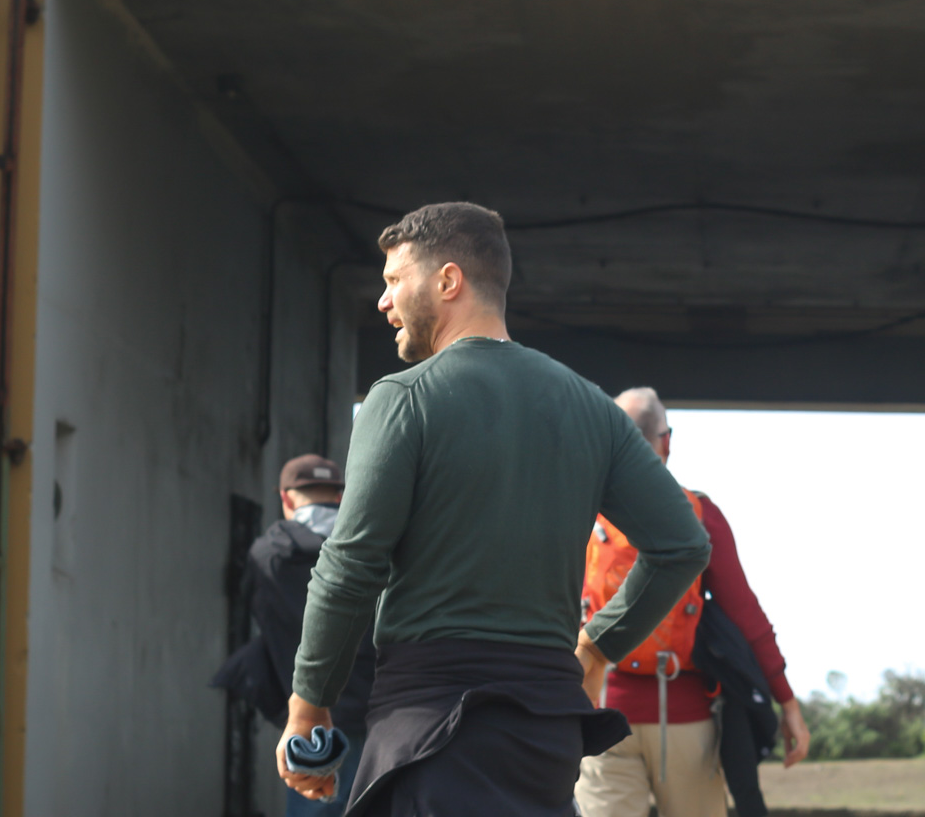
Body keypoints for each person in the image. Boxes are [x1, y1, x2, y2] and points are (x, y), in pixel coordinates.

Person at [277, 202, 712, 816]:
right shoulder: (592, 409)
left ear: (448, 281)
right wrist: (596, 648)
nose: (382, 301)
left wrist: (308, 704)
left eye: (394, 280)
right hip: (548, 732)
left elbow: (351, 566)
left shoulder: (403, 399)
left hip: (433, 728)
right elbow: (682, 545)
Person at [573, 388, 811, 817]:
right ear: (667, 441)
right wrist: (786, 701)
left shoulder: (581, 514)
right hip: (686, 721)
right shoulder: (699, 515)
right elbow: (745, 614)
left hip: (600, 713)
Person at [219, 454, 378, 817]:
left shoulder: (268, 554)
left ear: (286, 499)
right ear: (341, 498)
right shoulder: (372, 547)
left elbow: (259, 616)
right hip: (382, 711)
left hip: (311, 714)